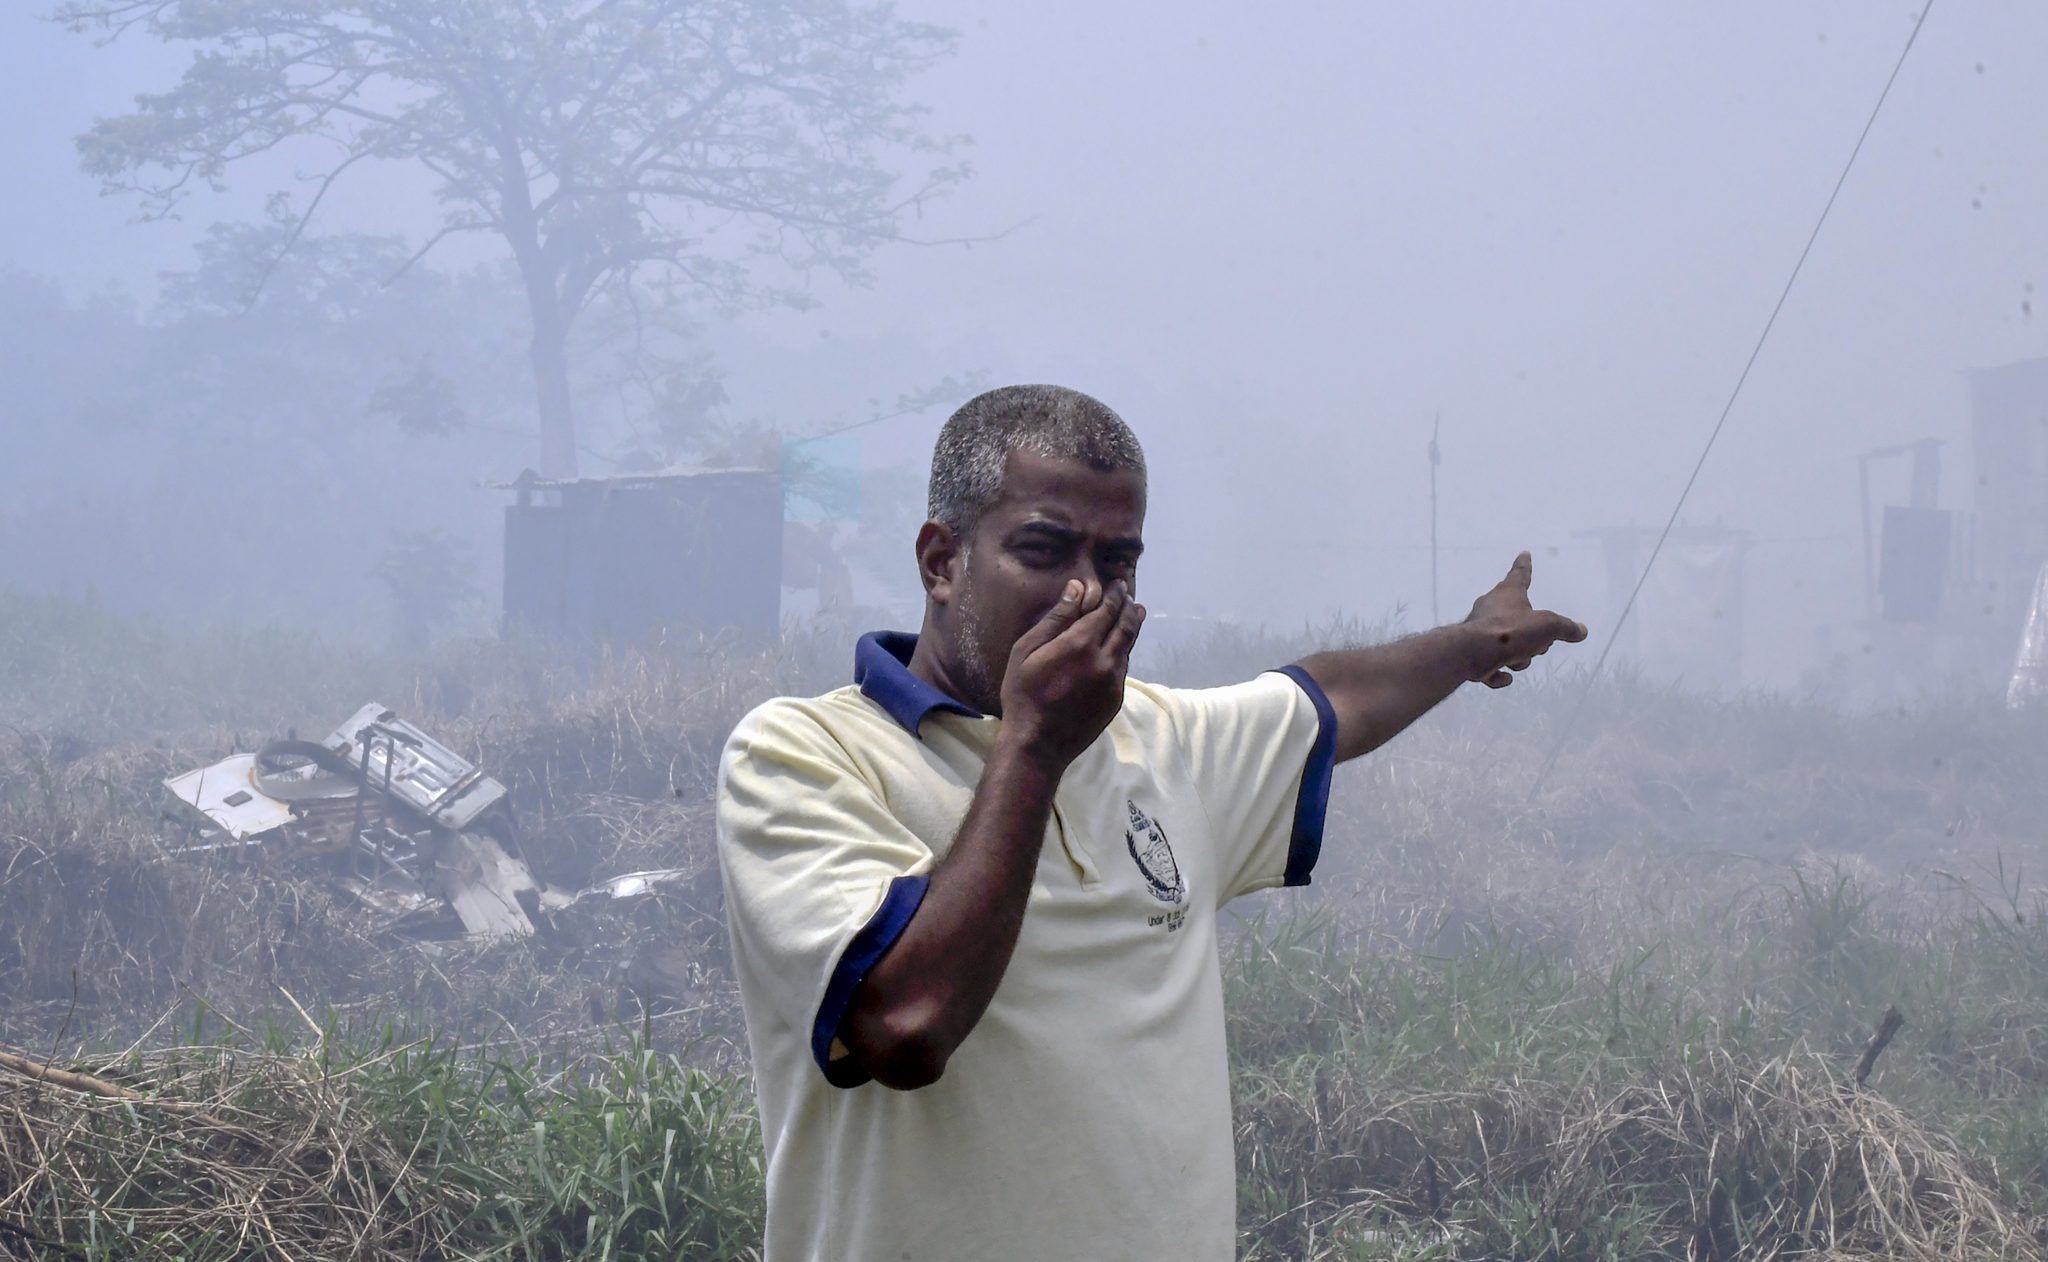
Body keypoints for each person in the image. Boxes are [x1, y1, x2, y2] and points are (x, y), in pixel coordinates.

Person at [715, 384, 1586, 1262]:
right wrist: (1035, 746)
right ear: (942, 561)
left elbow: (1328, 697)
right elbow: (905, 1025)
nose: (1087, 589)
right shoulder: (802, 756)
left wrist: (1476, 643)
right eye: (1044, 549)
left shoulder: (1159, 743)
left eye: (1118, 560)